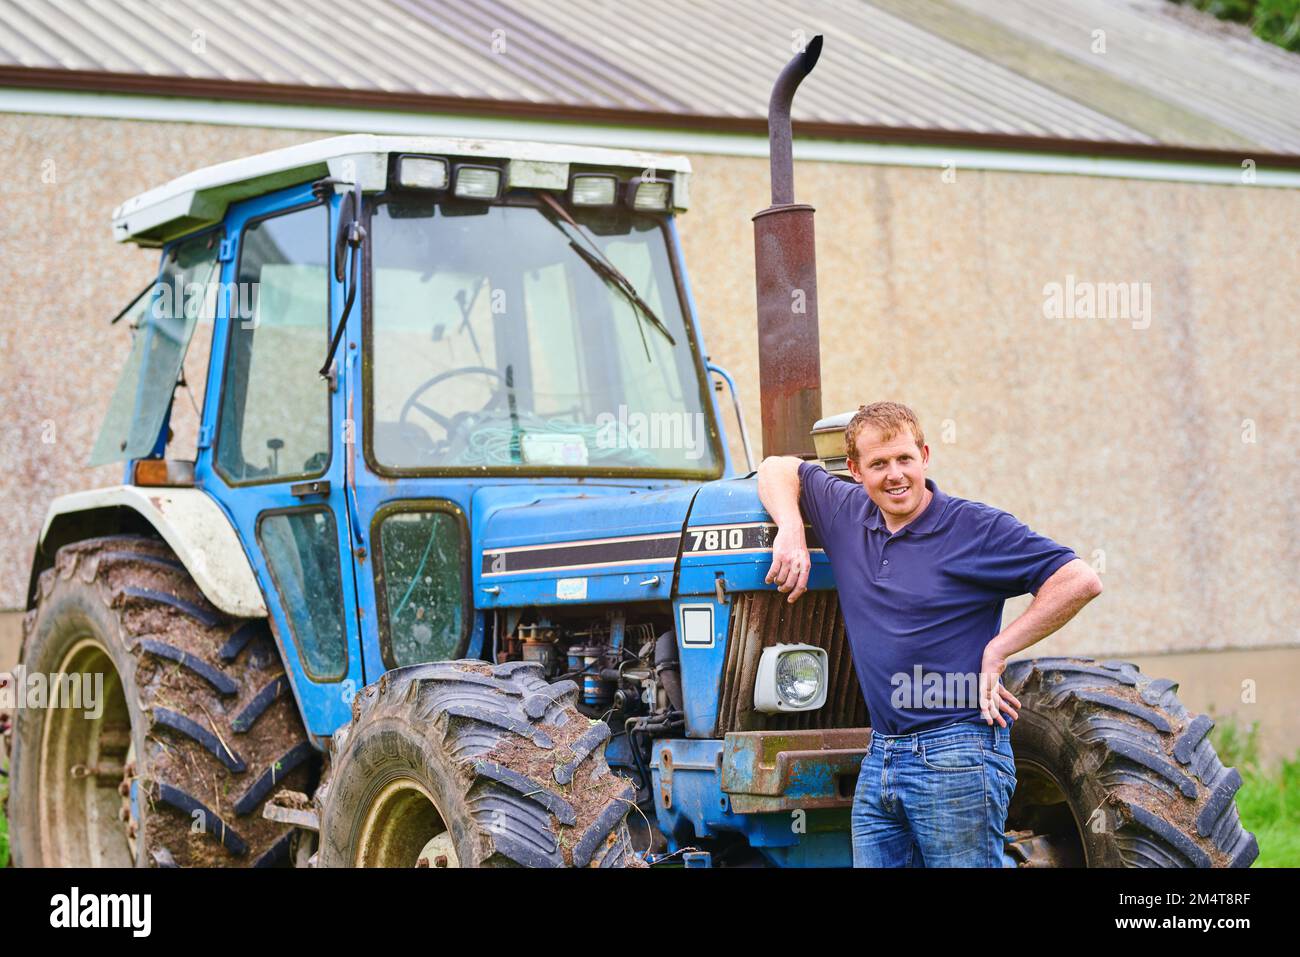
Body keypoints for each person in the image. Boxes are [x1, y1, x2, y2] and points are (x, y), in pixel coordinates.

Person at [756, 401, 1102, 867]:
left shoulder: (976, 528)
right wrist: (792, 529)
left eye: (904, 459)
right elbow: (778, 467)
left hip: (957, 751)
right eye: (879, 464)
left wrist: (998, 650)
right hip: (880, 755)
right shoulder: (845, 511)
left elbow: (1079, 580)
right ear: (855, 470)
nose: (895, 474)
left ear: (925, 455)